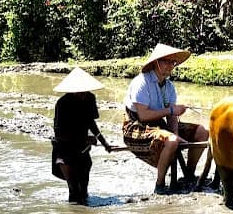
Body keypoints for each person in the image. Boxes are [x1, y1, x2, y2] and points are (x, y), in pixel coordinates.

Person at [123, 43, 208, 194]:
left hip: (160, 124)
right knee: (171, 141)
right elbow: (143, 115)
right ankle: (160, 184)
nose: (171, 65)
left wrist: (174, 130)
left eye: (173, 62)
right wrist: (170, 112)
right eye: (167, 61)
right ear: (157, 63)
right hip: (137, 126)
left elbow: (172, 115)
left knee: (202, 131)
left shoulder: (169, 86)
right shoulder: (141, 82)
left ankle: (189, 174)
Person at [52, 67, 113, 205]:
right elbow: (59, 134)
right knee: (74, 191)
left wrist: (105, 143)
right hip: (65, 151)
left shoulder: (90, 99)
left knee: (84, 189)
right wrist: (85, 139)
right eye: (79, 91)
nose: (83, 94)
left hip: (82, 149)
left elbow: (91, 123)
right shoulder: (62, 104)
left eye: (85, 90)